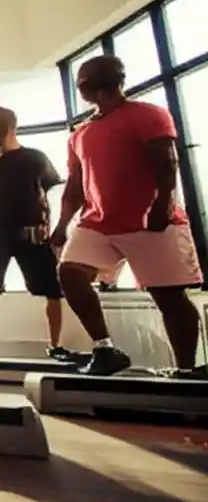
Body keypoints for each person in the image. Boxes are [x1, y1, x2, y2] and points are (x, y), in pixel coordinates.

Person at [51, 55, 204, 376]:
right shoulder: (80, 133)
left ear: (114, 80)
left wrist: (162, 204)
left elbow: (167, 162)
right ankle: (105, 349)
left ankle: (186, 373)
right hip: (98, 222)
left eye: (87, 80)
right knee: (70, 272)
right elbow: (76, 186)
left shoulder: (148, 115)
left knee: (169, 298)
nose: (83, 86)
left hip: (149, 221)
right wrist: (63, 225)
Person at [0, 107, 68, 362]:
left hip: (33, 231)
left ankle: (56, 345)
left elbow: (49, 194)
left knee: (53, 288)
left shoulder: (35, 158)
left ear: (7, 126)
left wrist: (56, 229)